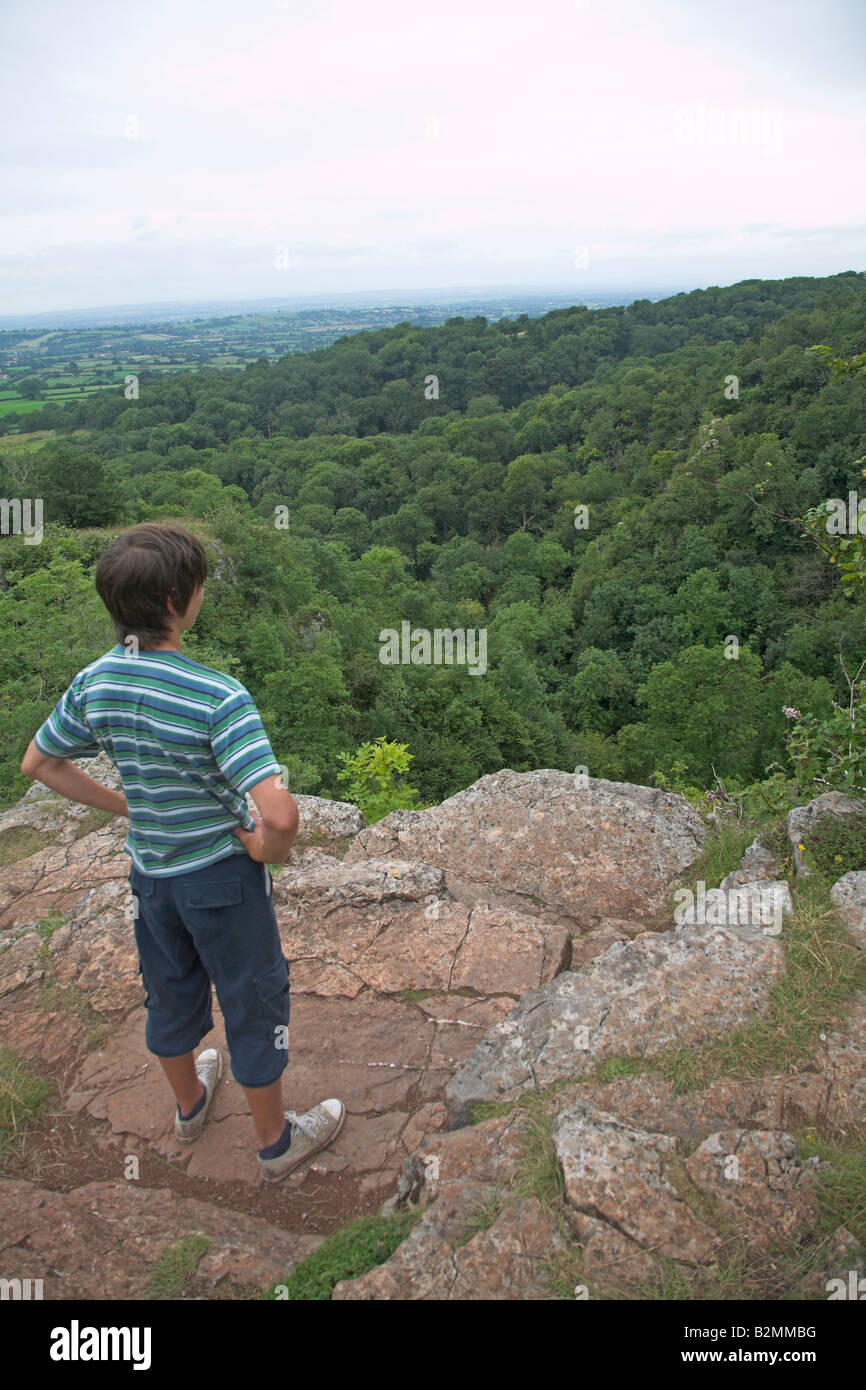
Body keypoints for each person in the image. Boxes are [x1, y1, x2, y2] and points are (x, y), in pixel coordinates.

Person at [20, 521, 344, 1181]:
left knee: (168, 992)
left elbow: (39, 763)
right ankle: (275, 1146)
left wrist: (130, 807)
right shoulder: (217, 696)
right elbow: (279, 812)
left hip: (153, 875)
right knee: (253, 1000)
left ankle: (190, 1107)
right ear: (178, 601)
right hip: (222, 877)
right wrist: (266, 849)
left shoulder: (95, 682)